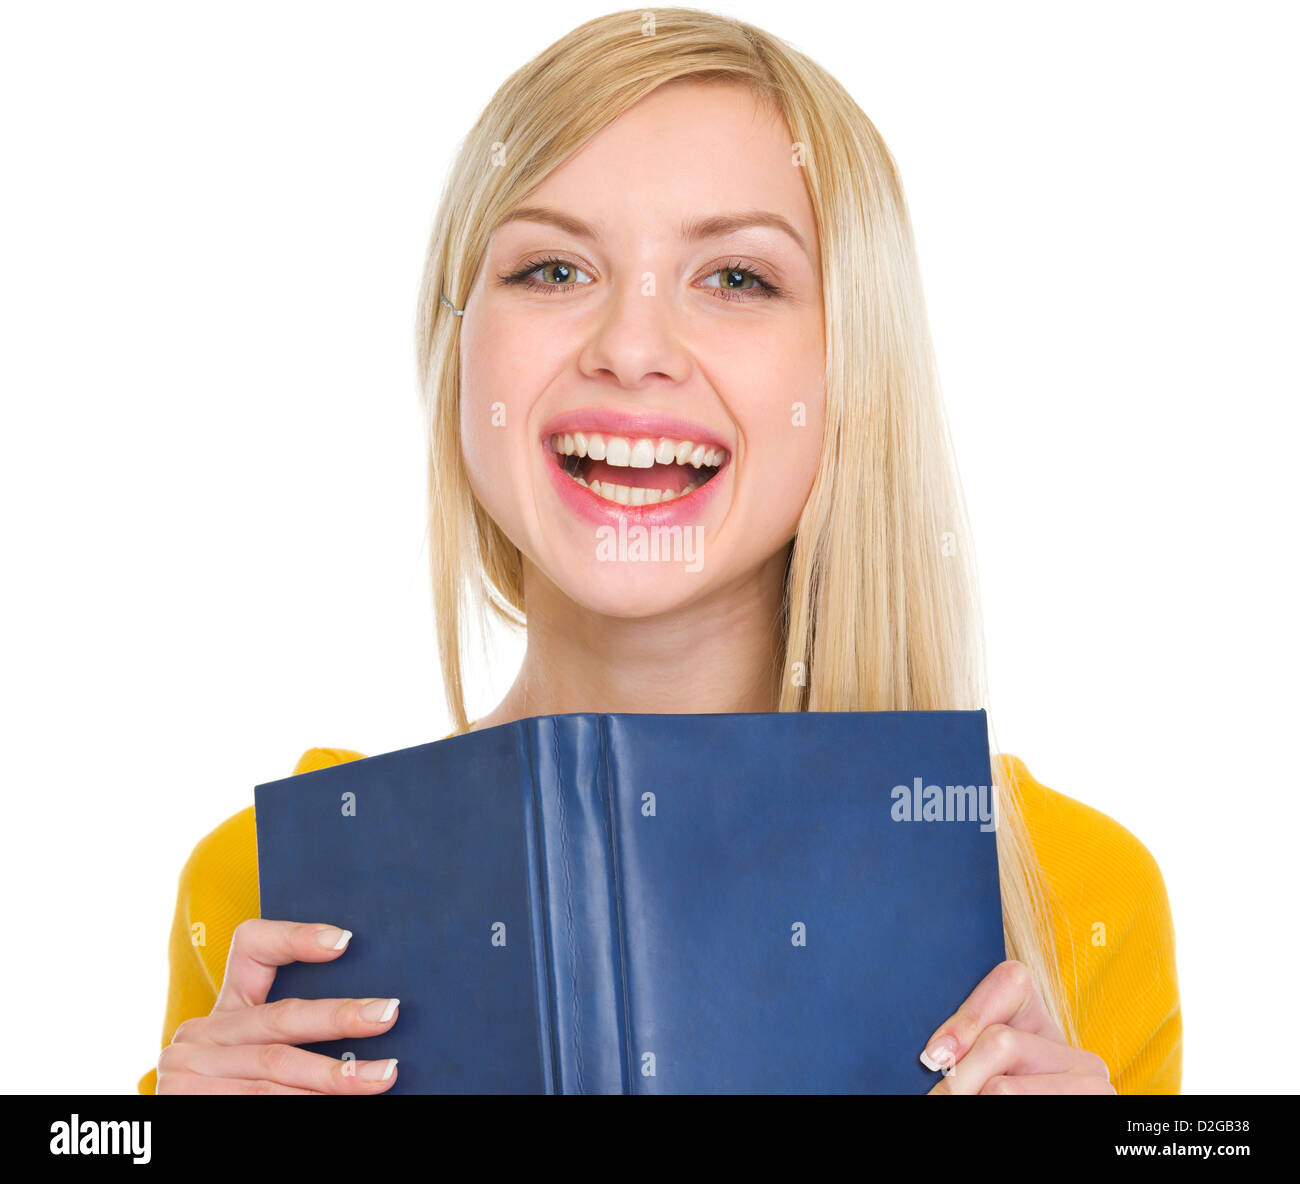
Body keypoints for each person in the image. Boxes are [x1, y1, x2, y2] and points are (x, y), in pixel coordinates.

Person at [141, 7, 1181, 1096]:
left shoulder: (1074, 892)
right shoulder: (261, 892)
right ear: (459, 351)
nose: (631, 349)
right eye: (551, 269)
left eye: (736, 278)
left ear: (849, 373)